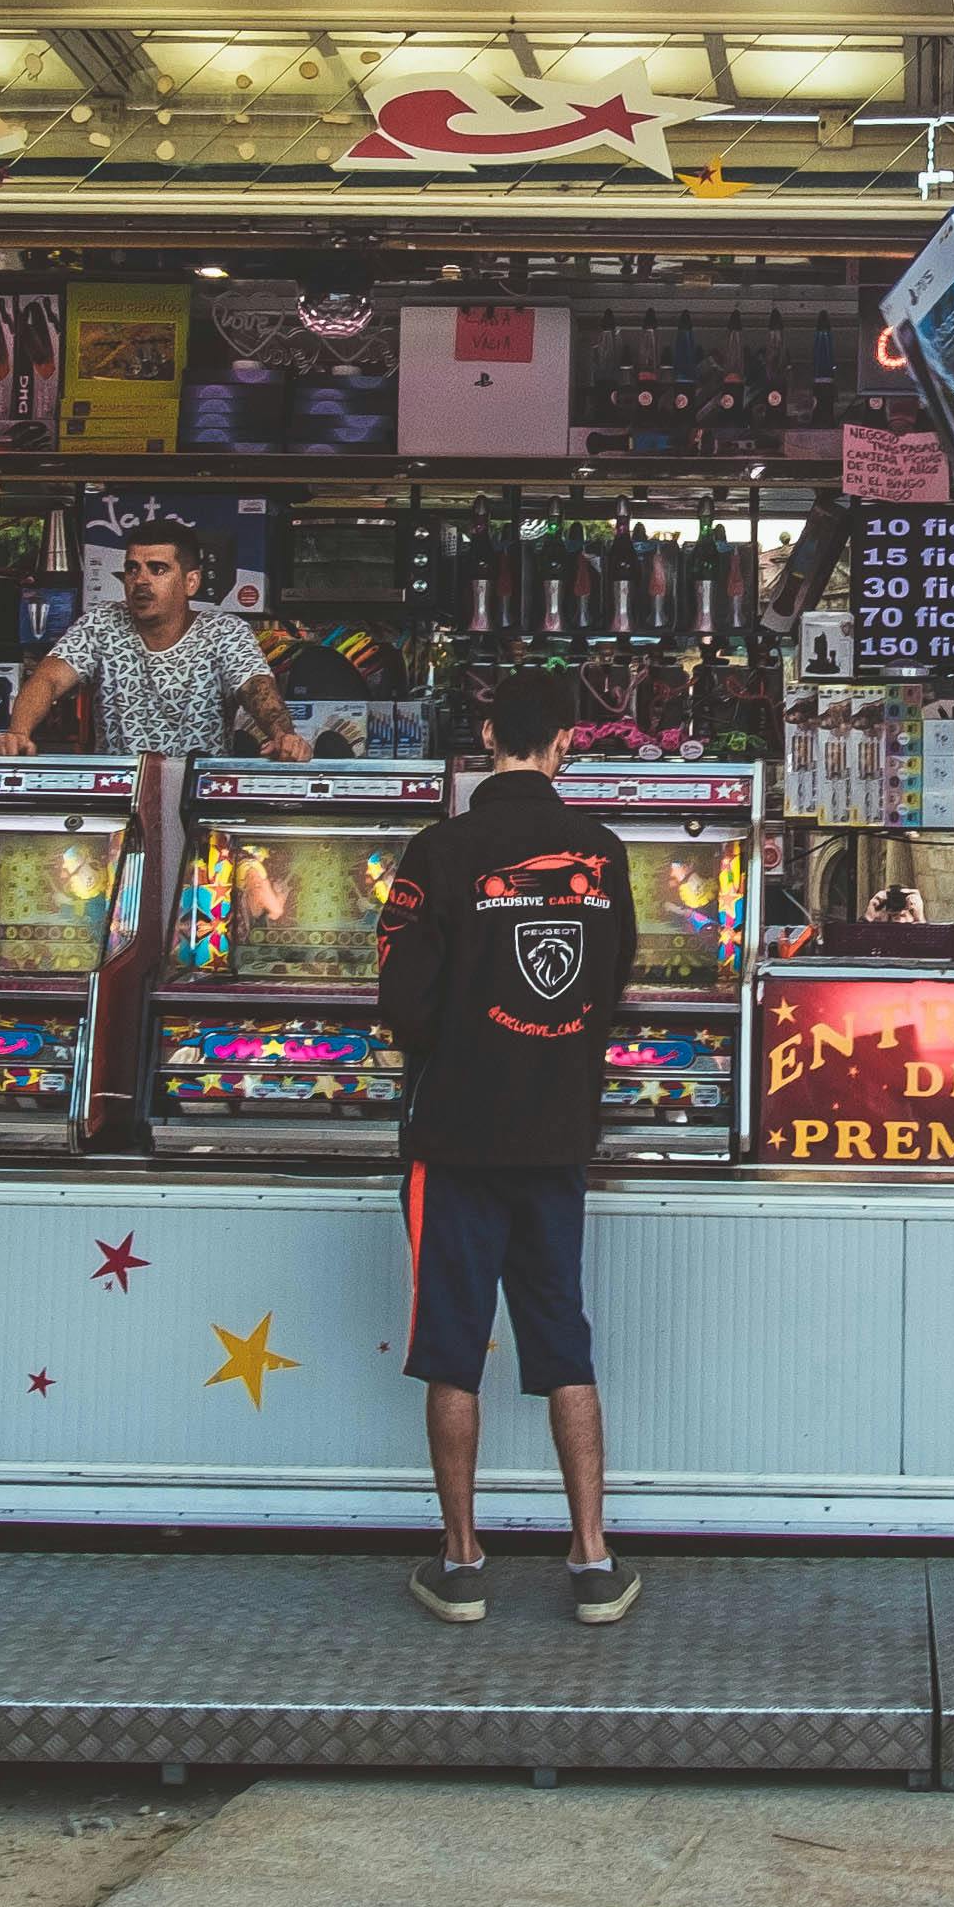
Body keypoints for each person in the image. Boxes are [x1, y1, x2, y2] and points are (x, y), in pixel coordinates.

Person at [377, 668, 641, 1628]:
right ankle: (593, 1559)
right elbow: (610, 982)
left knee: (454, 1349)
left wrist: (459, 1042)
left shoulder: (438, 849)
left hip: (455, 1135)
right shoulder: (602, 851)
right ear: (567, 742)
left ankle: (460, 1564)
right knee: (562, 1339)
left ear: (488, 736)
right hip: (557, 1128)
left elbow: (400, 999)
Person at [0, 513, 300, 756]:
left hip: (197, 800)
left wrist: (283, 736)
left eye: (157, 569)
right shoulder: (102, 623)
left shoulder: (225, 632)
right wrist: (18, 733)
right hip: (118, 801)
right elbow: (48, 679)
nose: (140, 580)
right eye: (132, 569)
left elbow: (255, 686)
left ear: (191, 582)